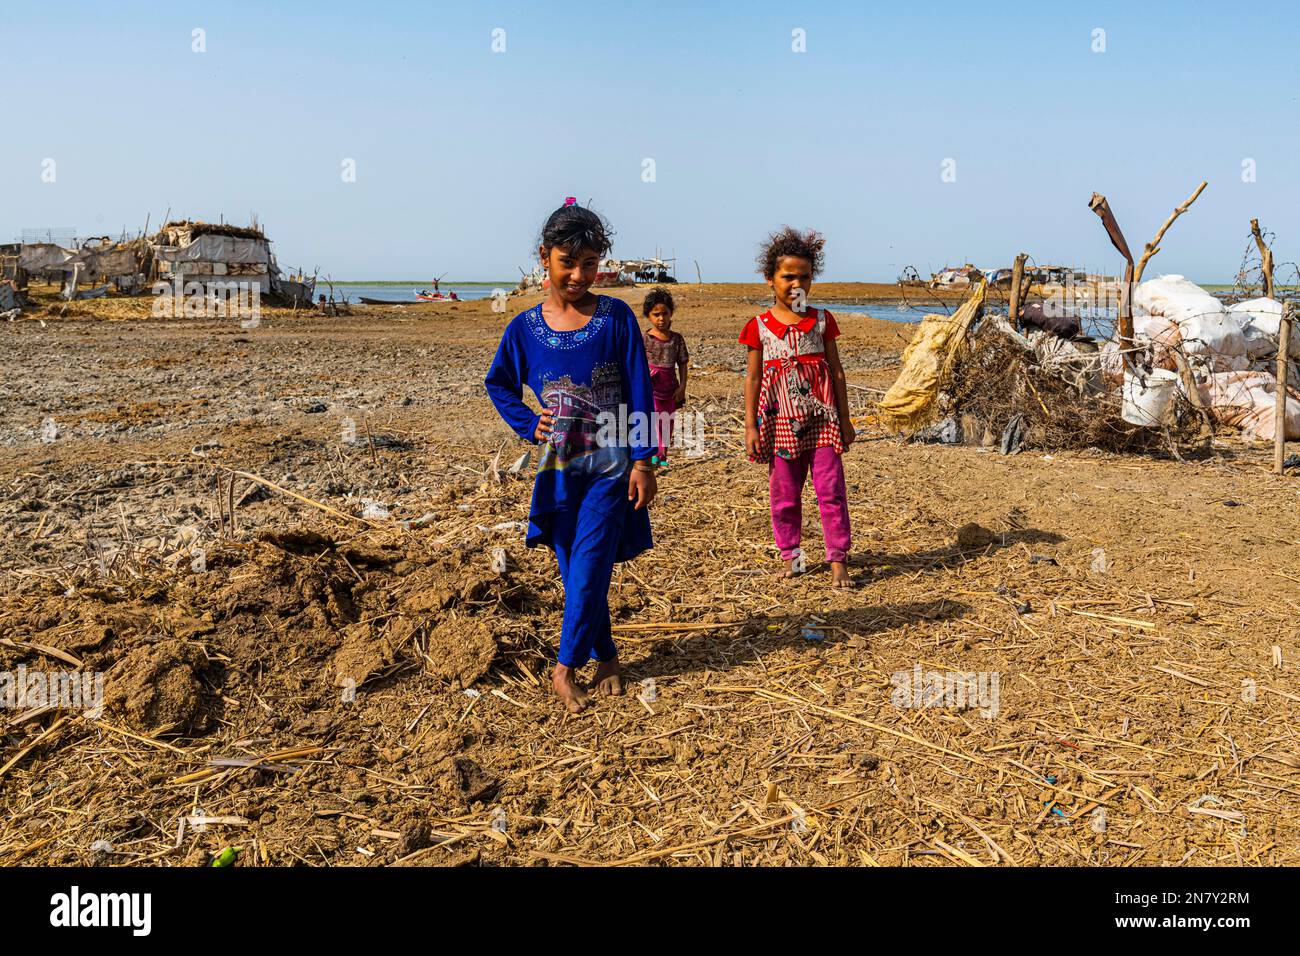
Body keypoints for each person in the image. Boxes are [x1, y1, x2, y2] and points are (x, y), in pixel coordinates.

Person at [484, 199, 657, 712]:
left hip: (611, 464)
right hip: (558, 470)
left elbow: (641, 389)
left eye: (590, 263)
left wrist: (646, 461)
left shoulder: (617, 319)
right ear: (545, 257)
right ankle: (607, 656)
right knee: (577, 566)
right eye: (568, 262)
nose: (580, 274)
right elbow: (499, 384)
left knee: (588, 563)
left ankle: (563, 669)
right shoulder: (523, 329)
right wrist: (526, 423)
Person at [740, 226, 854, 587]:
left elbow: (836, 372)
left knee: (831, 492)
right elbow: (754, 380)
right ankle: (793, 557)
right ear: (769, 278)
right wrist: (750, 426)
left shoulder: (822, 321)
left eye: (804, 276)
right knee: (785, 496)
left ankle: (838, 559)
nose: (796, 284)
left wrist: (846, 419)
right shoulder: (758, 327)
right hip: (779, 425)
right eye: (788, 276)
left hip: (822, 423)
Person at [641, 288, 689, 466]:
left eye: (665, 314)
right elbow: (638, 363)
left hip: (670, 387)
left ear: (671, 314)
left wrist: (682, 387)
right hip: (651, 387)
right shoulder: (645, 338)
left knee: (667, 421)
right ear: (649, 316)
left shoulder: (676, 339)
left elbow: (683, 364)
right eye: (656, 314)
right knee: (653, 419)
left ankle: (663, 456)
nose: (661, 318)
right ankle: (654, 453)